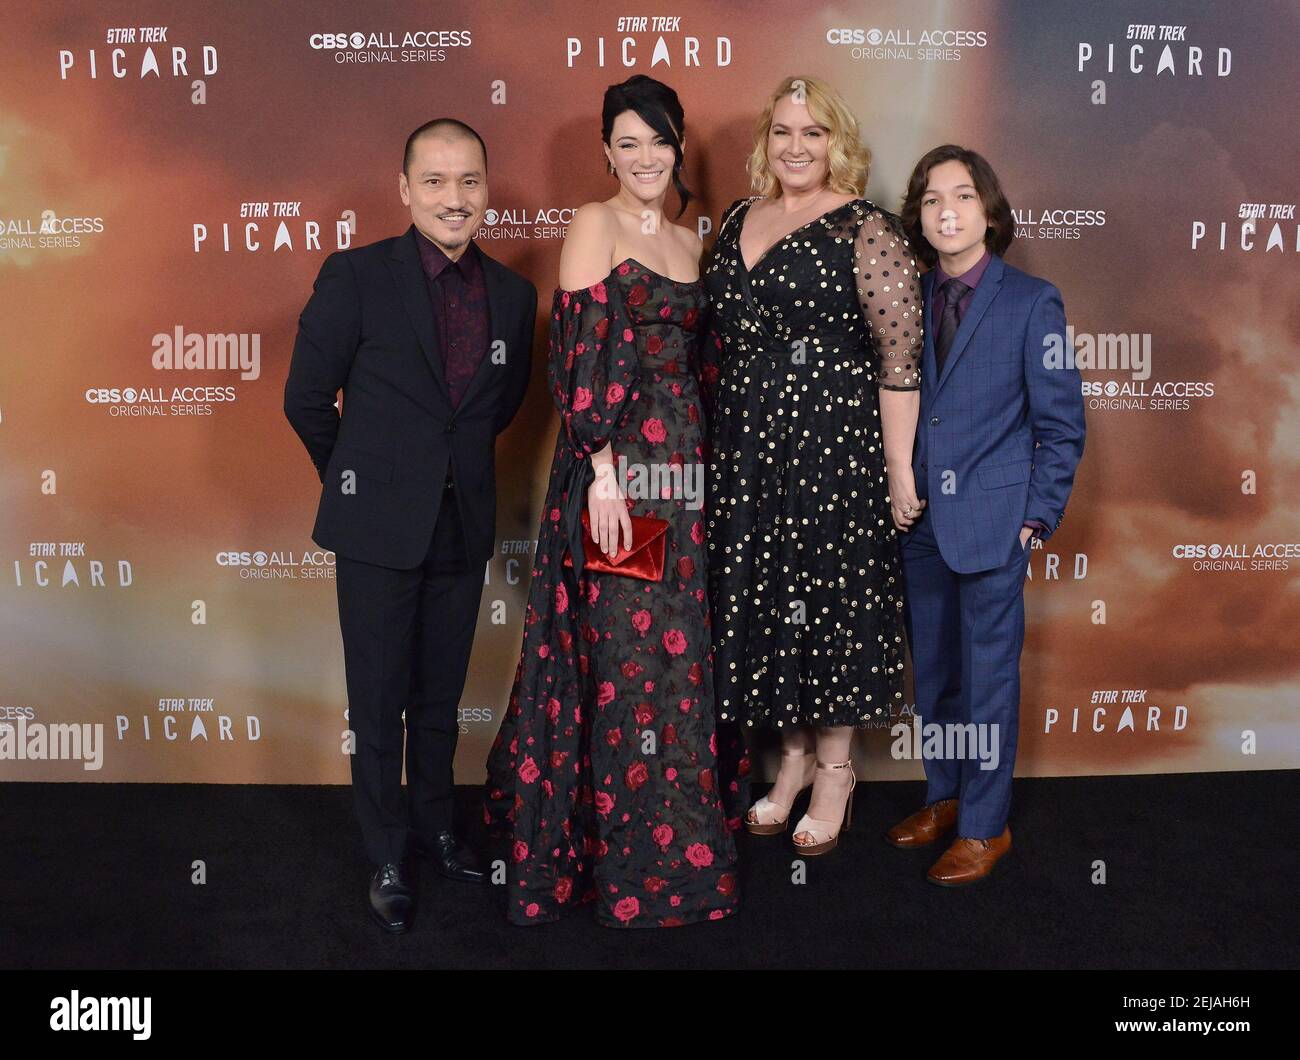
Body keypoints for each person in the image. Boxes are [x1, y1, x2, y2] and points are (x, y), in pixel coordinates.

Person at [484, 75, 738, 927]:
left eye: (658, 141)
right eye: (626, 143)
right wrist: (598, 471)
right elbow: (579, 352)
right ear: (606, 151)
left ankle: (678, 843)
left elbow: (700, 368)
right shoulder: (592, 224)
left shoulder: (687, 240)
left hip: (686, 471)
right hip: (620, 474)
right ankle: (626, 861)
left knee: (678, 661)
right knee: (628, 659)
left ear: (677, 147)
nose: (644, 158)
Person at [284, 119, 537, 932]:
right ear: (404, 189)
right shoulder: (356, 277)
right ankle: (387, 852)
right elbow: (305, 400)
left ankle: (434, 829)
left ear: (487, 190)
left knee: (439, 696)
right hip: (376, 532)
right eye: (434, 181)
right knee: (380, 697)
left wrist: (440, 480)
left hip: (462, 522)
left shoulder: (513, 295)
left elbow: (500, 406)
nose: (453, 198)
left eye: (468, 182)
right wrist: (360, 488)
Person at [703, 75, 923, 856]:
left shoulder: (867, 229)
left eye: (814, 133)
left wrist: (899, 470)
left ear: (838, 145)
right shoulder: (734, 218)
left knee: (828, 599)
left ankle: (837, 769)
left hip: (833, 445)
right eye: (783, 132)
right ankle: (791, 762)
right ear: (765, 142)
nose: (796, 147)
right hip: (747, 448)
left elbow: (899, 362)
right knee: (769, 596)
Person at [886, 144, 1085, 885]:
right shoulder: (908, 296)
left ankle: (984, 826)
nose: (947, 210)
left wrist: (1034, 521)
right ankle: (944, 797)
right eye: (932, 198)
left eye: (963, 196)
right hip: (922, 525)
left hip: (997, 526)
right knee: (935, 674)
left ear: (989, 212)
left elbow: (1062, 425)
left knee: (989, 680)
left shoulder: (1035, 302)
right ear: (920, 217)